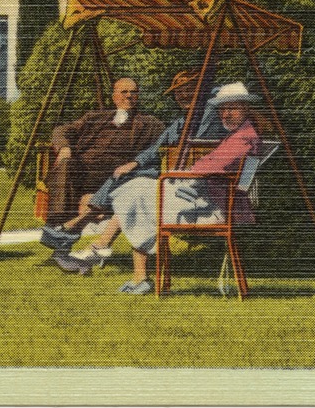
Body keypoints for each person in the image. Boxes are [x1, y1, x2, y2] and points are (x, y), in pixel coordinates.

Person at [97, 81, 262, 294]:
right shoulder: (240, 134)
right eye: (222, 109)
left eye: (233, 108)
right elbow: (206, 165)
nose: (226, 114)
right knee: (135, 190)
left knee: (135, 193)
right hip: (207, 198)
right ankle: (128, 266)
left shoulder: (244, 139)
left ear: (246, 108)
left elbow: (208, 166)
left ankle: (134, 271)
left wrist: (179, 175)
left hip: (213, 207)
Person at [54, 71, 226, 271]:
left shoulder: (210, 114)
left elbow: (217, 98)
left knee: (131, 186)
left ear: (200, 91)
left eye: (188, 90)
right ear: (114, 96)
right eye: (178, 92)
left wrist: (207, 91)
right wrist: (134, 163)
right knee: (127, 179)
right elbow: (155, 148)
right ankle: (100, 245)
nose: (182, 96)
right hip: (174, 179)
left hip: (193, 185)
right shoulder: (181, 121)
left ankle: (82, 226)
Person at [38, 77, 165, 254]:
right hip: (82, 173)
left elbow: (154, 153)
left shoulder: (151, 124)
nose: (129, 96)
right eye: (124, 92)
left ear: (138, 96)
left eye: (133, 92)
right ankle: (57, 225)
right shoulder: (95, 117)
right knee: (66, 164)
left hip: (115, 178)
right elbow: (61, 130)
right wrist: (65, 147)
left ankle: (62, 234)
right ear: (114, 96)